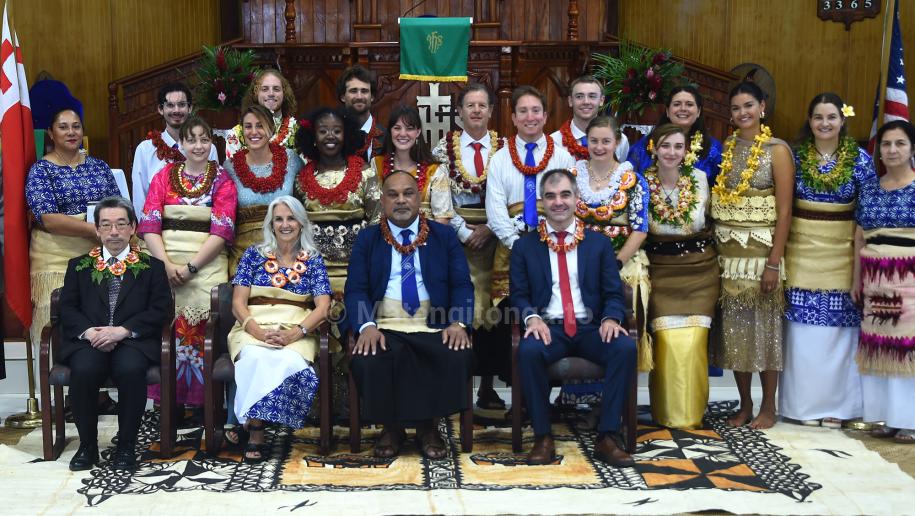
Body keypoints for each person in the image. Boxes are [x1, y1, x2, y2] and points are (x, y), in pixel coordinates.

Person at [344, 170, 474, 460]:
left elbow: (462, 284)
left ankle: (428, 428)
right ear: (382, 200)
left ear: (419, 198)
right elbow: (356, 289)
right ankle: (391, 428)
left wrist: (458, 322)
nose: (401, 200)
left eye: (408, 193)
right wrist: (366, 326)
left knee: (455, 353)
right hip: (384, 322)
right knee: (370, 357)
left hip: (434, 323)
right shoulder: (368, 238)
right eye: (393, 195)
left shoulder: (443, 236)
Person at [512, 168, 636, 466]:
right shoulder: (524, 246)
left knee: (624, 347)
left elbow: (613, 293)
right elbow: (518, 295)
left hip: (592, 327)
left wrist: (611, 319)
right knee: (528, 350)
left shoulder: (598, 244)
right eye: (551, 196)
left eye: (565, 195)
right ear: (542, 201)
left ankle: (608, 436)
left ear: (576, 198)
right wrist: (531, 318)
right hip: (549, 327)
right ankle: (542, 436)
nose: (558, 202)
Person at [780, 93, 873, 428]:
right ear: (809, 120)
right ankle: (801, 407)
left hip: (843, 254)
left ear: (842, 120)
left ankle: (840, 406)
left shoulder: (860, 160)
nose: (824, 123)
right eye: (818, 117)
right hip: (801, 252)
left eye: (831, 117)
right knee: (803, 334)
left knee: (838, 334)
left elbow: (866, 213)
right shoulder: (794, 157)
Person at [58, 196, 170, 471]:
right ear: (97, 230)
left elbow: (160, 309)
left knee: (130, 369)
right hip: (90, 340)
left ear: (133, 227)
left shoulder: (152, 267)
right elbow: (67, 308)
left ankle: (126, 446)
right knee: (84, 369)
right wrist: (89, 332)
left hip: (132, 341)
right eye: (106, 225)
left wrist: (123, 331)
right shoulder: (79, 266)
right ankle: (88, 445)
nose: (114, 231)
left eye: (121, 224)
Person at [710, 82, 793, 430]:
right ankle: (744, 404)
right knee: (735, 333)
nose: (742, 113)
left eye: (748, 106)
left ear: (762, 107)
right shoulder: (728, 147)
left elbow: (785, 212)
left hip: (762, 256)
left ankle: (768, 406)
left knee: (765, 332)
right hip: (729, 255)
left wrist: (773, 263)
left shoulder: (777, 150)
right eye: (735, 108)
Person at [139, 116, 238, 407]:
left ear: (211, 143)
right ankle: (167, 403)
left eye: (204, 139)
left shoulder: (222, 179)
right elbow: (149, 225)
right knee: (163, 324)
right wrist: (165, 266)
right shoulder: (163, 176)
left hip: (206, 263)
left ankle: (204, 404)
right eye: (191, 139)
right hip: (165, 261)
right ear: (180, 143)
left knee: (204, 323)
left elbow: (222, 230)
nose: (198, 146)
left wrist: (191, 267)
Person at [228, 196, 331, 462]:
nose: (285, 225)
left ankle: (248, 422)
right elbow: (238, 303)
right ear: (271, 224)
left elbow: (323, 308)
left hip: (297, 328)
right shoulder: (253, 254)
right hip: (253, 326)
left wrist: (295, 333)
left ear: (301, 222)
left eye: (291, 218)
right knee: (253, 357)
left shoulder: (313, 259)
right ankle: (257, 431)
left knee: (290, 362)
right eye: (279, 219)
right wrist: (258, 332)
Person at [432, 83, 507, 410]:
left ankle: (487, 387)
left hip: (496, 237)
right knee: (461, 309)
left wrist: (491, 228)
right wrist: (463, 232)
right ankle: (456, 389)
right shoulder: (442, 149)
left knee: (493, 311)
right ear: (459, 112)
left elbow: (511, 195)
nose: (476, 111)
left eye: (482, 105)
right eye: (470, 105)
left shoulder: (505, 149)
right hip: (457, 238)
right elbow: (440, 197)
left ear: (491, 111)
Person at [27, 108, 122, 353]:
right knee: (59, 321)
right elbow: (48, 219)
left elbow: (118, 208)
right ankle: (59, 373)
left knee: (105, 318)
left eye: (76, 126)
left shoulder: (99, 167)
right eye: (63, 127)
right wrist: (92, 229)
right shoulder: (41, 170)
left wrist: (108, 230)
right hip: (56, 256)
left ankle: (99, 372)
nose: (71, 132)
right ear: (51, 133)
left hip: (101, 253)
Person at [643, 124, 718, 429]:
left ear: (686, 151)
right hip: (661, 272)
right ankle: (666, 413)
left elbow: (707, 221)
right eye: (665, 146)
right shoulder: (642, 182)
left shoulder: (699, 179)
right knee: (667, 341)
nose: (671, 152)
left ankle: (692, 414)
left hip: (700, 271)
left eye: (678, 146)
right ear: (653, 149)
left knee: (695, 340)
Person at [853, 119, 915, 444]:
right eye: (887, 144)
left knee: (907, 349)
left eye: (900, 143)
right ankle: (887, 418)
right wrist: (856, 281)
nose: (892, 150)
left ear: (912, 149)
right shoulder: (870, 189)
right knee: (880, 347)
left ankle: (909, 420)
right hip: (874, 281)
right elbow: (859, 237)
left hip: (910, 283)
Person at [486, 85, 576, 307]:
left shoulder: (563, 158)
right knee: (510, 315)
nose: (530, 117)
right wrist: (518, 247)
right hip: (510, 248)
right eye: (523, 111)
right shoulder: (499, 159)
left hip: (555, 247)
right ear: (514, 118)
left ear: (545, 116)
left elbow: (570, 206)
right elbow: (495, 210)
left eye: (536, 111)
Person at [294, 106, 379, 297]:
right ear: (313, 137)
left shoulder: (365, 173)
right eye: (323, 131)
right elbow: (296, 226)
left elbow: (377, 222)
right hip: (312, 272)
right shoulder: (301, 178)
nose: (330, 136)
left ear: (346, 135)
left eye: (337, 131)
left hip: (358, 270)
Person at [224, 104, 302, 275]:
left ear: (271, 128)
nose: (254, 132)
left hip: (287, 250)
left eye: (260, 125)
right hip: (244, 252)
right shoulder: (230, 167)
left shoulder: (292, 160)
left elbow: (302, 205)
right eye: (248, 126)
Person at [131, 82, 217, 216]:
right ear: (161, 109)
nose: (176, 110)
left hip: (199, 222)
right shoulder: (145, 149)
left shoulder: (207, 149)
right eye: (170, 105)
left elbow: (215, 191)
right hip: (157, 223)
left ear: (190, 108)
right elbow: (140, 197)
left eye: (182, 104)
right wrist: (146, 227)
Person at [370, 104, 453, 224]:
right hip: (384, 234)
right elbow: (372, 212)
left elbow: (442, 219)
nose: (403, 134)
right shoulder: (376, 164)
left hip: (427, 235)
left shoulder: (435, 170)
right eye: (397, 128)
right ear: (390, 131)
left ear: (418, 132)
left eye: (409, 128)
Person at [627, 85, 723, 180]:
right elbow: (629, 178)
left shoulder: (713, 148)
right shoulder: (647, 144)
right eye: (677, 104)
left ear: (698, 111)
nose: (683, 108)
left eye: (689, 104)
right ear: (667, 111)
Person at [550, 75, 629, 163]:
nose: (586, 102)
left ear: (601, 100)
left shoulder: (620, 140)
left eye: (592, 96)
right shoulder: (554, 142)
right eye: (579, 96)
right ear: (570, 101)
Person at [225, 69, 298, 159]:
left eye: (276, 89)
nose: (271, 93)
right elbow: (232, 166)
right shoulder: (236, 134)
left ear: (284, 94)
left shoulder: (297, 131)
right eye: (265, 89)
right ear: (256, 94)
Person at [338, 65, 385, 161]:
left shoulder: (387, 137)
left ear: (372, 97)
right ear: (343, 97)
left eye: (364, 91)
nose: (359, 97)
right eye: (353, 91)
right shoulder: (333, 135)